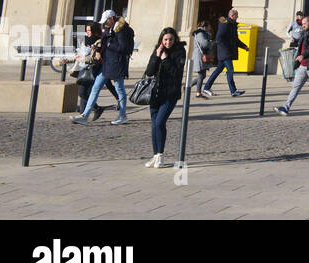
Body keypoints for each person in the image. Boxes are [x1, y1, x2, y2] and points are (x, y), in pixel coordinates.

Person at [71, 9, 134, 125]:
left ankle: (123, 115)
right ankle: (85, 115)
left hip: (117, 64)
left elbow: (124, 48)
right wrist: (98, 48)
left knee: (119, 89)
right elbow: (105, 45)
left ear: (111, 19)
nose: (104, 23)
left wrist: (109, 45)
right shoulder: (109, 29)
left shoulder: (121, 30)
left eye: (106, 21)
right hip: (107, 63)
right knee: (96, 87)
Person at [143, 27, 187, 168]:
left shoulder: (180, 51)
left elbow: (176, 72)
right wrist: (157, 56)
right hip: (155, 93)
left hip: (170, 93)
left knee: (160, 122)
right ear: (161, 40)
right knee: (154, 124)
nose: (168, 42)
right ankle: (155, 155)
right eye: (166, 40)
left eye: (171, 39)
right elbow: (149, 71)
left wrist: (165, 59)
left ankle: (160, 155)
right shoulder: (158, 50)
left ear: (175, 39)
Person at [278, 13, 309, 115]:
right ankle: (286, 107)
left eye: (305, 23)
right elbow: (301, 46)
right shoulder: (305, 32)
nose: (303, 25)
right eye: (302, 23)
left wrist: (303, 55)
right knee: (295, 87)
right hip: (303, 65)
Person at [201, 9, 247, 98]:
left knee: (218, 70)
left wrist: (244, 46)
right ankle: (233, 91)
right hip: (225, 52)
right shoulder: (225, 24)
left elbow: (235, 39)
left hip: (227, 51)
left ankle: (207, 87)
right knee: (230, 70)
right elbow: (219, 38)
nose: (237, 17)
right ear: (232, 16)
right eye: (236, 15)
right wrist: (225, 49)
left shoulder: (232, 25)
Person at [72, 23, 107, 121]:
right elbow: (79, 54)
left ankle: (85, 114)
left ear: (95, 31)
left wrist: (85, 59)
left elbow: (97, 58)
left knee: (87, 92)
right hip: (83, 69)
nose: (88, 33)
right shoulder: (85, 40)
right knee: (82, 93)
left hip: (93, 69)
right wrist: (71, 59)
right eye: (87, 30)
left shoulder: (99, 41)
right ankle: (91, 111)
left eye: (90, 30)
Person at [190, 20, 215, 98]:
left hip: (201, 55)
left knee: (202, 75)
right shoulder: (200, 33)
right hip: (200, 56)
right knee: (201, 74)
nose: (210, 28)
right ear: (205, 27)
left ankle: (187, 86)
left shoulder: (203, 33)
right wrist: (212, 42)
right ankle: (198, 93)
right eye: (209, 26)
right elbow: (205, 44)